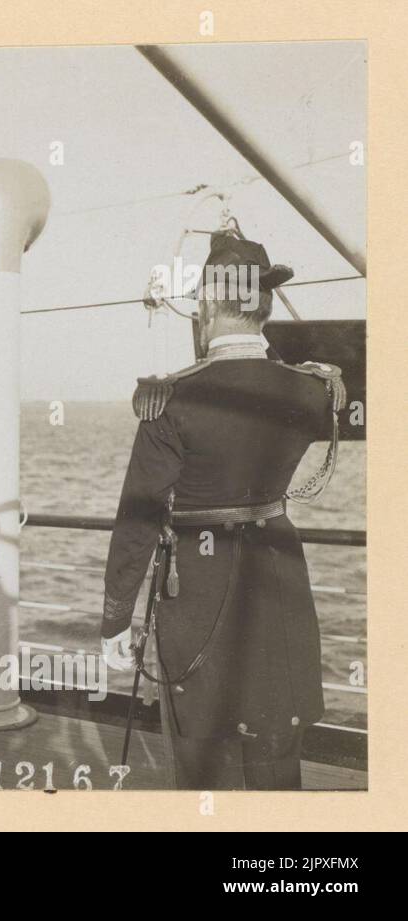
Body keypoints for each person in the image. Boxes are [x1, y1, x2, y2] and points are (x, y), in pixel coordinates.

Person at [101, 232, 345, 790]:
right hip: (278, 574)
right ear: (264, 306)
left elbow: (137, 521)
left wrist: (116, 618)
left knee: (201, 759)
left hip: (198, 589)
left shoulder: (169, 398)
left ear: (207, 306)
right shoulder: (314, 390)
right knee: (275, 746)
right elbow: (283, 377)